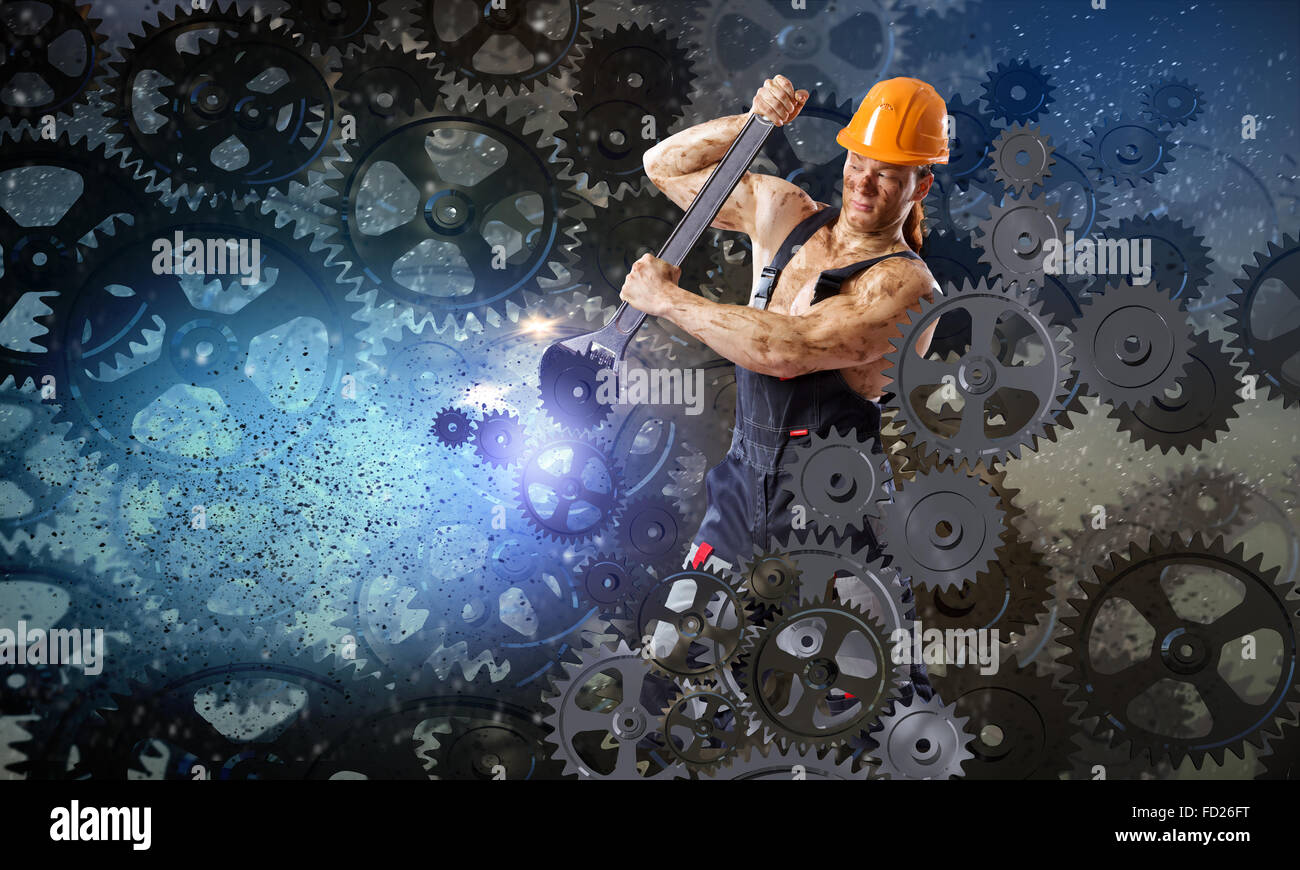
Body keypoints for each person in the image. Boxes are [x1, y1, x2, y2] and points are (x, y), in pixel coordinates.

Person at [619, 74, 950, 702]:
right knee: (667, 670)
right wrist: (753, 122)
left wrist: (667, 299)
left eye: (888, 172)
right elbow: (664, 166)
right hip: (742, 489)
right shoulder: (788, 214)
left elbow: (784, 353)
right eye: (858, 161)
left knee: (879, 708)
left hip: (838, 508)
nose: (864, 182)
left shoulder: (907, 289)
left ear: (921, 184)